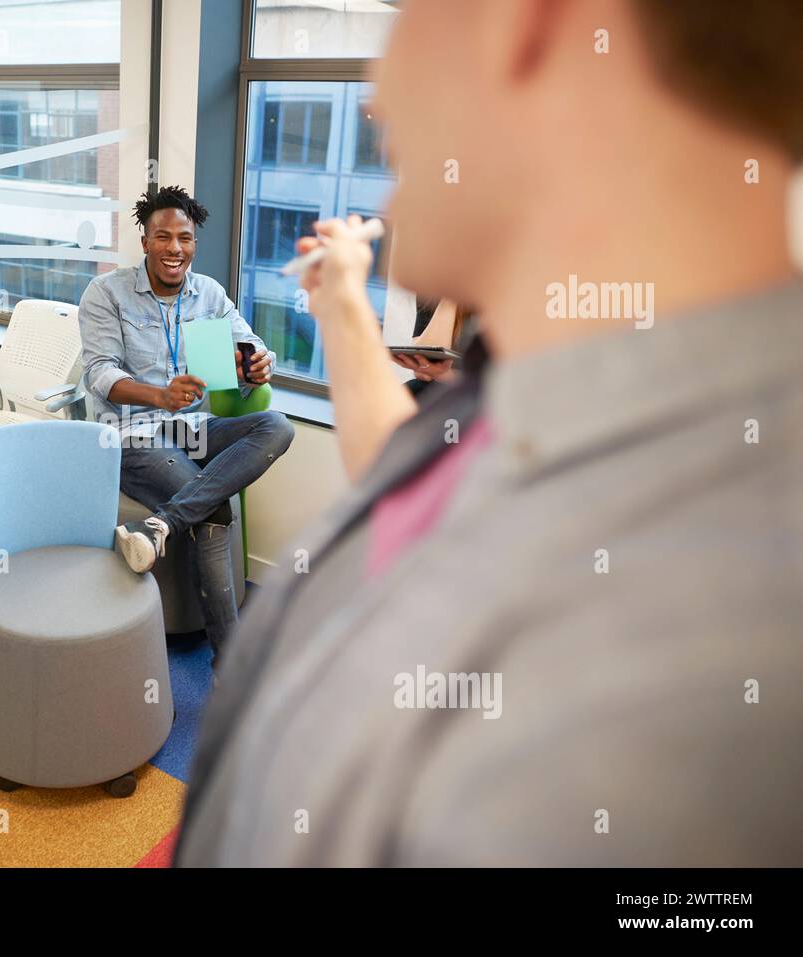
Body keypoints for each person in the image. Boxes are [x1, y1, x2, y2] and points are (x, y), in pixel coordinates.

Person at [176, 0, 803, 866]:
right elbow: (423, 489)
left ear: (524, 20)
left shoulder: (660, 698)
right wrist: (343, 303)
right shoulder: (563, 385)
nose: (375, 95)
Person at [78, 185, 295, 668]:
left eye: (185, 238)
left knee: (277, 425)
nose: (175, 248)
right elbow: (98, 373)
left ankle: (161, 526)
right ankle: (230, 664)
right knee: (214, 512)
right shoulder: (106, 293)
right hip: (131, 432)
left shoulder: (210, 292)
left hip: (196, 427)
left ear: (193, 242)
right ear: (145, 241)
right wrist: (158, 395)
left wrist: (259, 364)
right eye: (163, 237)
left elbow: (251, 343)